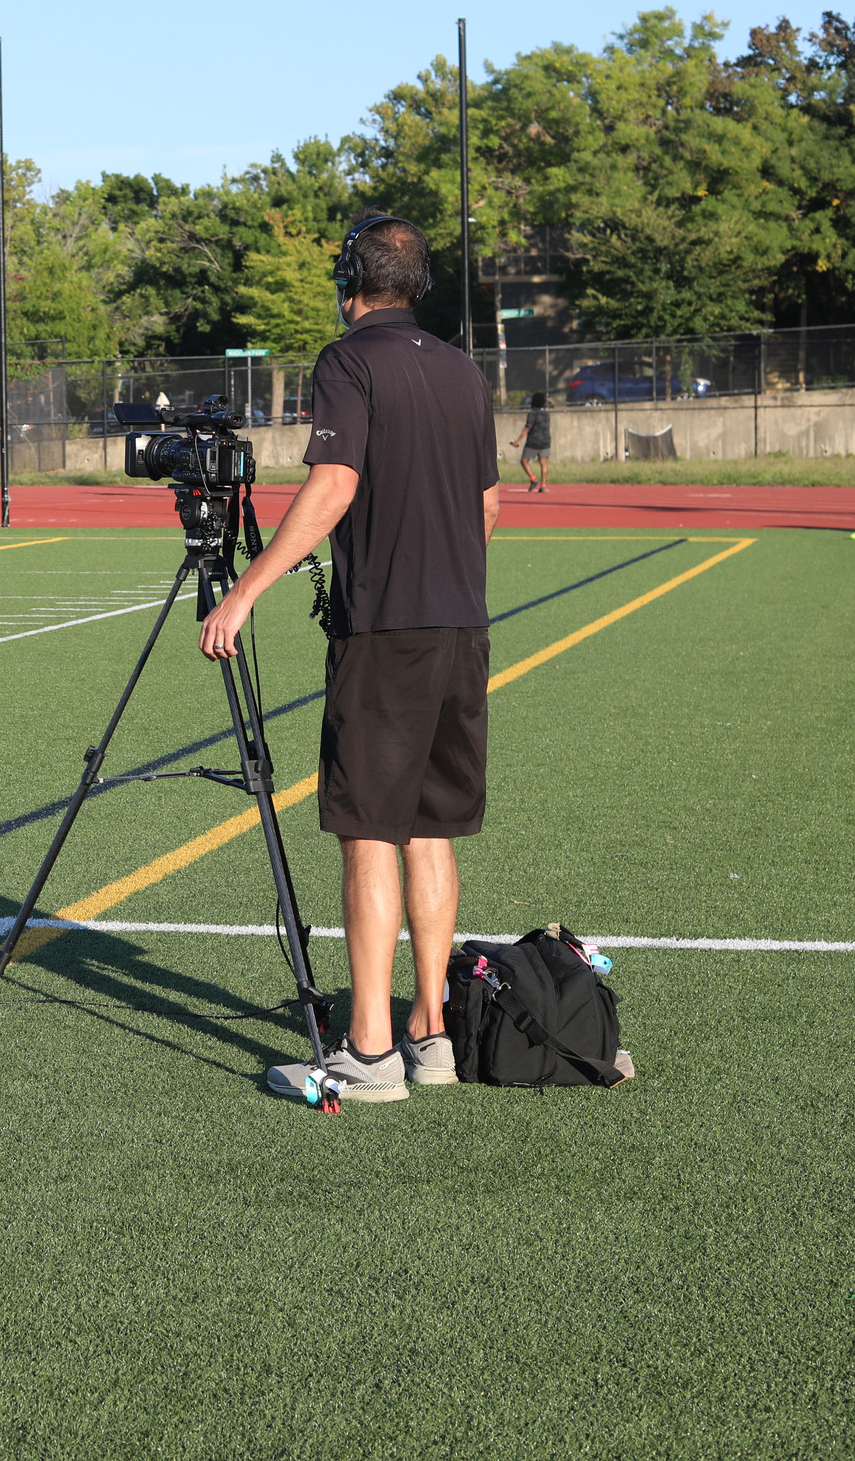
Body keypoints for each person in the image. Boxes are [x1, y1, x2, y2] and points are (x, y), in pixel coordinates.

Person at [197, 212, 498, 1105]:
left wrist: (245, 590)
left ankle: (367, 1053)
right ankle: (429, 1032)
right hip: (461, 623)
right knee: (432, 830)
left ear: (351, 277)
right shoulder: (461, 368)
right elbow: (487, 506)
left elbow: (334, 484)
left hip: (388, 631)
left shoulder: (348, 360)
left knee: (369, 828)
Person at [511, 392, 551, 493]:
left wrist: (518, 441)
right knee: (543, 463)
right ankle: (543, 485)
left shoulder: (532, 414)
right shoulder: (547, 414)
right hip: (546, 441)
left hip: (533, 441)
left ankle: (533, 478)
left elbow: (527, 428)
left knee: (524, 461)